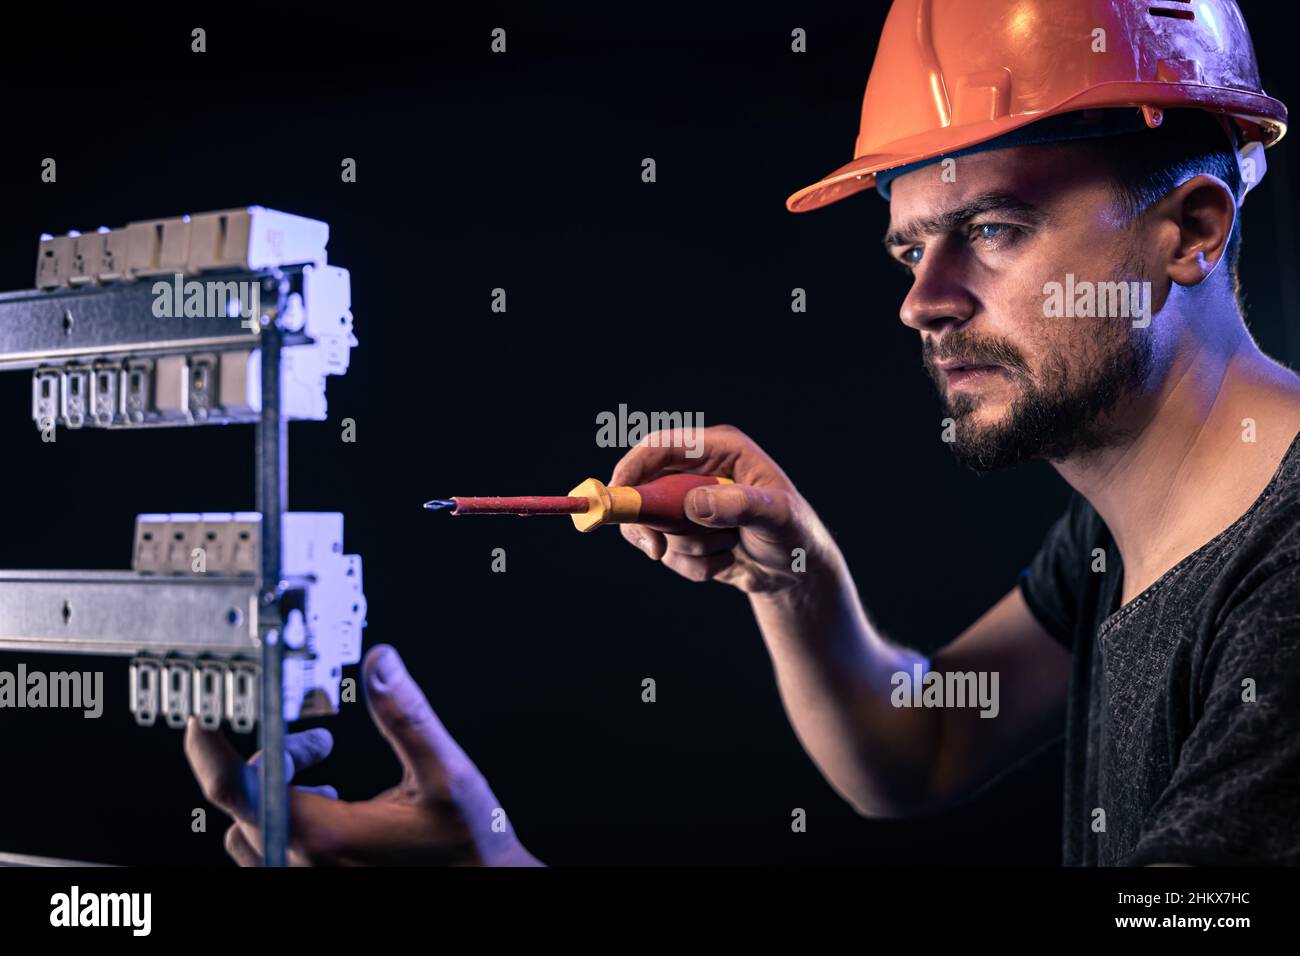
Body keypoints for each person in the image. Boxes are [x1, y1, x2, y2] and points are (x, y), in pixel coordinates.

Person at [186, 0, 1300, 865]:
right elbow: (923, 741)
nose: (923, 300)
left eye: (994, 228)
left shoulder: (1283, 580)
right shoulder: (1122, 530)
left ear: (1190, 229)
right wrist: (791, 578)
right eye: (911, 250)